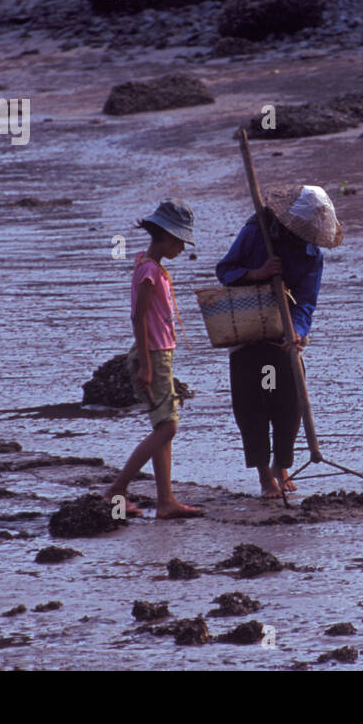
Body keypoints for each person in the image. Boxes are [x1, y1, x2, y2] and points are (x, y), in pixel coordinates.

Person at [217, 184, 343, 498]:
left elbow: (306, 302)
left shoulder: (312, 254)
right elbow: (225, 270)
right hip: (248, 332)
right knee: (254, 405)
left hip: (283, 337)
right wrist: (257, 273)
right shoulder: (256, 232)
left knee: (289, 404)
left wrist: (298, 331)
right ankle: (264, 477)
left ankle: (281, 466)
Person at [105, 199, 202, 519]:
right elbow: (138, 318)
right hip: (154, 356)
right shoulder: (148, 270)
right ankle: (117, 488)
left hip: (160, 355)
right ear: (167, 237)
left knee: (164, 426)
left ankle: (165, 501)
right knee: (168, 429)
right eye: (179, 242)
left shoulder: (151, 268)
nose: (181, 249)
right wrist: (147, 365)